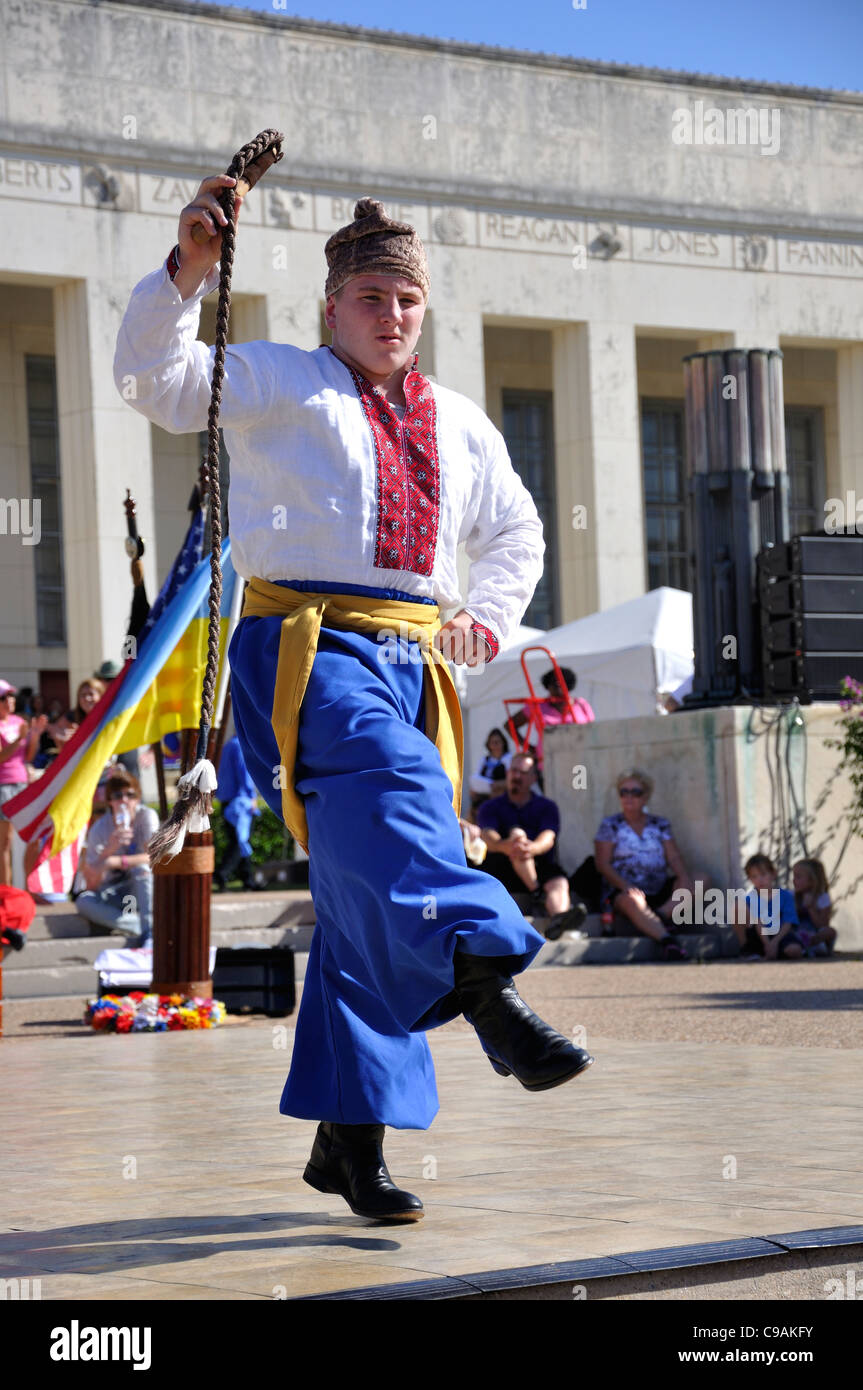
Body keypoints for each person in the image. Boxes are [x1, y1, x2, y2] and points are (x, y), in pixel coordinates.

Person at [113, 183, 593, 1222]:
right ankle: (485, 983)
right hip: (306, 645)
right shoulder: (279, 379)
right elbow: (157, 379)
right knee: (395, 792)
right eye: (371, 296)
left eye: (407, 299)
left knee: (360, 889)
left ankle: (350, 1138)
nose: (391, 315)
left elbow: (517, 531)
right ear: (330, 305)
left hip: (416, 658)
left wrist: (486, 619)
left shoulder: (460, 423)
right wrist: (188, 268)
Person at [476, 752, 588, 941]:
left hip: (539, 863)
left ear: (533, 778)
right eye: (513, 771)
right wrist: (508, 846)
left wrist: (531, 848)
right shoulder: (490, 807)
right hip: (502, 867)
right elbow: (488, 835)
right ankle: (539, 894)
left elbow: (548, 837)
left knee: (559, 883)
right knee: (517, 837)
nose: (516, 776)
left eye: (523, 772)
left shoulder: (546, 806)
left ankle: (559, 918)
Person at [593, 769, 692, 961]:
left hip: (660, 887)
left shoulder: (659, 823)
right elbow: (602, 864)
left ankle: (660, 915)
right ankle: (667, 941)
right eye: (624, 792)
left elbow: (673, 857)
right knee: (634, 901)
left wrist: (684, 878)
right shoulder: (610, 824)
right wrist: (627, 886)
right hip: (625, 890)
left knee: (700, 880)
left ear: (646, 796)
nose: (629, 797)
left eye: (635, 792)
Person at [75, 769, 158, 947]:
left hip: (141, 892)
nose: (124, 801)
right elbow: (91, 884)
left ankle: (149, 932)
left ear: (138, 798)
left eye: (131, 795)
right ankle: (140, 927)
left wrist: (117, 861)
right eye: (118, 796)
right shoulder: (100, 829)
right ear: (110, 801)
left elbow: (155, 858)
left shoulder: (146, 817)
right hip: (114, 895)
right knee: (84, 901)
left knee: (142, 870)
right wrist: (108, 850)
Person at [0, 681, 46, 884]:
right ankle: (6, 892)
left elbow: (28, 756)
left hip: (22, 783)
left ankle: (29, 890)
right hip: (3, 786)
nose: (9, 701)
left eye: (11, 696)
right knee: (5, 842)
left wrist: (34, 736)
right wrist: (19, 739)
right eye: (3, 697)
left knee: (32, 837)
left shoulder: (19, 721)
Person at [510, 666, 594, 774]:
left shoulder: (581, 704)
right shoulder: (537, 706)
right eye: (553, 682)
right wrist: (531, 749)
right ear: (547, 685)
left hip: (579, 763)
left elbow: (592, 731)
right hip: (548, 766)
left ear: (568, 684)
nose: (557, 684)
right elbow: (510, 725)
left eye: (561, 681)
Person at [213, 734, 261, 891]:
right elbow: (244, 771)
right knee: (240, 841)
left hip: (227, 801)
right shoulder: (240, 745)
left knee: (238, 841)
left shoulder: (228, 745)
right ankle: (222, 874)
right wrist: (252, 796)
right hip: (240, 802)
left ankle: (248, 880)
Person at [730, 853, 799, 961]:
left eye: (763, 874)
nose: (760, 880)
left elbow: (788, 922)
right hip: (759, 937)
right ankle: (747, 949)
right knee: (738, 906)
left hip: (780, 935)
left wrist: (774, 943)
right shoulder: (751, 898)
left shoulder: (785, 896)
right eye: (754, 876)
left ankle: (775, 953)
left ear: (773, 874)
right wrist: (768, 944)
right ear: (750, 879)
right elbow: (758, 923)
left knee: (794, 950)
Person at [792, 858, 837, 957]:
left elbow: (822, 924)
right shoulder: (792, 896)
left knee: (830, 931)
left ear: (812, 880)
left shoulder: (822, 897)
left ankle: (812, 944)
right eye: (793, 876)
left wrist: (810, 907)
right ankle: (804, 947)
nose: (793, 880)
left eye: (798, 877)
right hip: (798, 932)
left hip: (816, 934)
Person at [468, 727, 512, 812]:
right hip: (483, 798)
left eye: (497, 742)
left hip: (501, 798)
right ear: (488, 745)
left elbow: (511, 781)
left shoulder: (508, 759)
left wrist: (497, 784)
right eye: (492, 743)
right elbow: (477, 778)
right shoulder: (484, 760)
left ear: (503, 743)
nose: (495, 745)